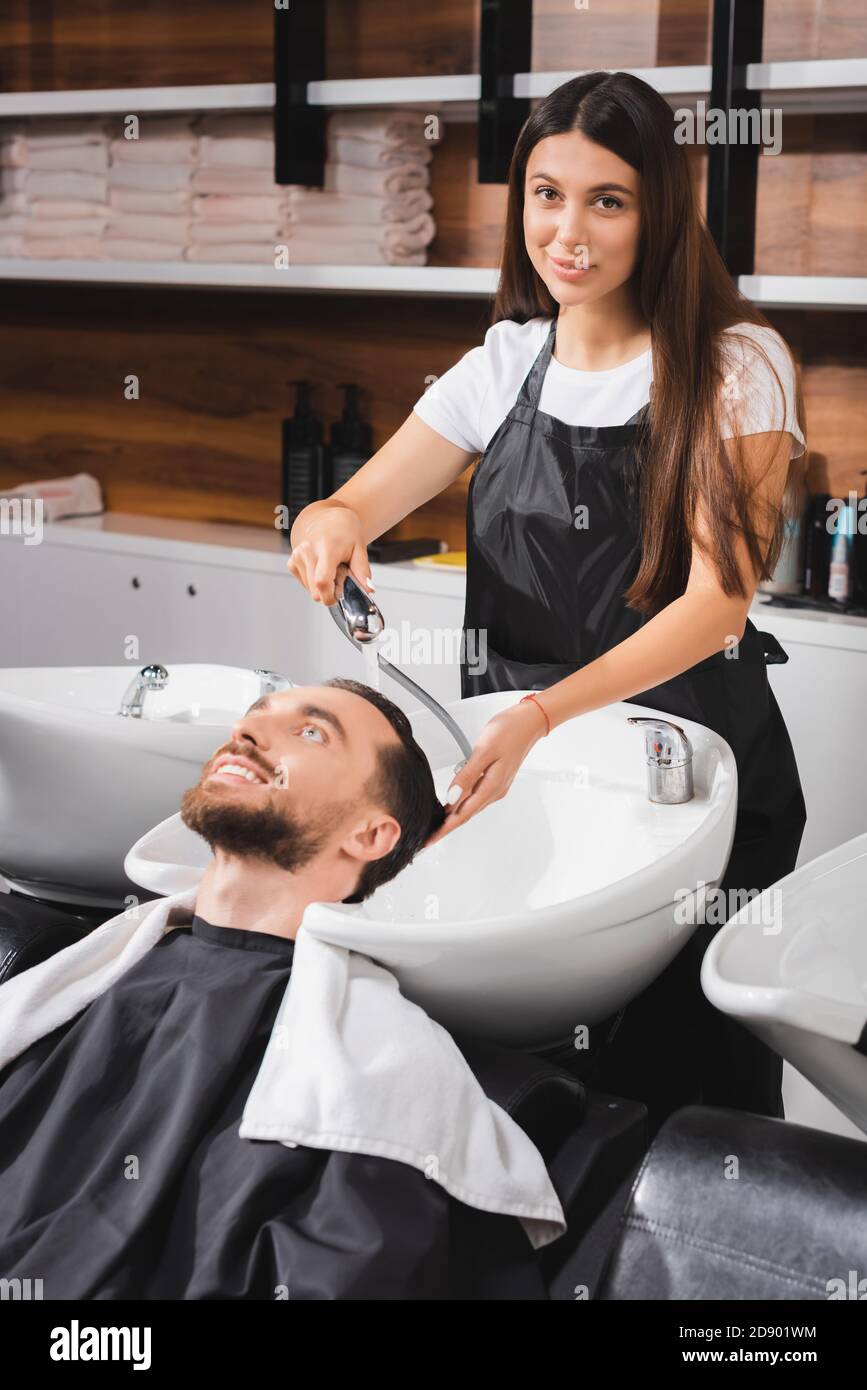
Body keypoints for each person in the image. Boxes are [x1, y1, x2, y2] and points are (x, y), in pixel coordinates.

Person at [287, 72, 808, 1133]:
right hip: (528, 782)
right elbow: (359, 498)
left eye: (607, 200)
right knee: (533, 1098)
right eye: (545, 194)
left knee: (686, 1101)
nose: (568, 232)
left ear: (661, 207)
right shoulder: (507, 362)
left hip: (690, 784)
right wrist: (328, 519)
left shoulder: (735, 366)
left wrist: (541, 710)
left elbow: (717, 601)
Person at [0, 679, 553, 1299]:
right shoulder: (84, 980)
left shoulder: (372, 1077)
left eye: (310, 732)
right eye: (254, 717)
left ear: (371, 836)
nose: (249, 733)